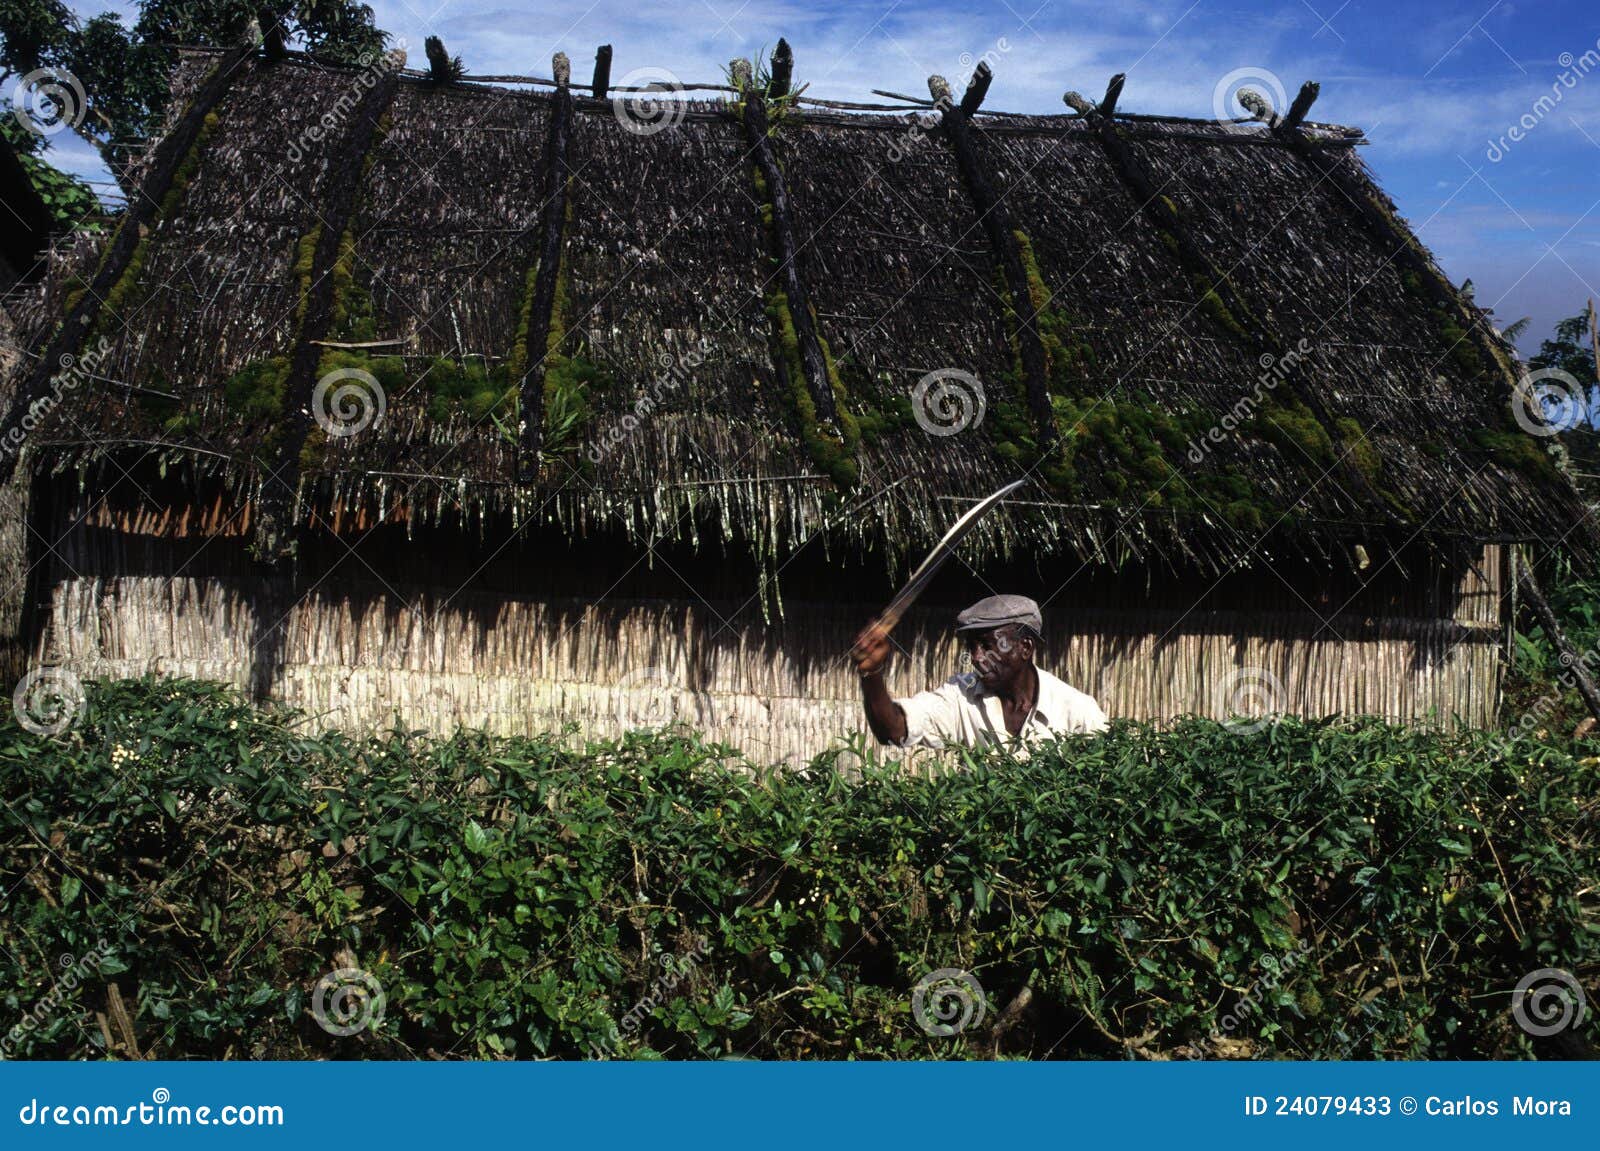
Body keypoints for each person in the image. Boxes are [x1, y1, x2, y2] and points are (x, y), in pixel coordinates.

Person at [850, 593, 1108, 750]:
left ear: (1025, 647)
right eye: (971, 646)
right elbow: (893, 730)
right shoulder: (961, 697)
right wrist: (872, 672)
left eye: (987, 645)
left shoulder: (1077, 712)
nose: (976, 657)